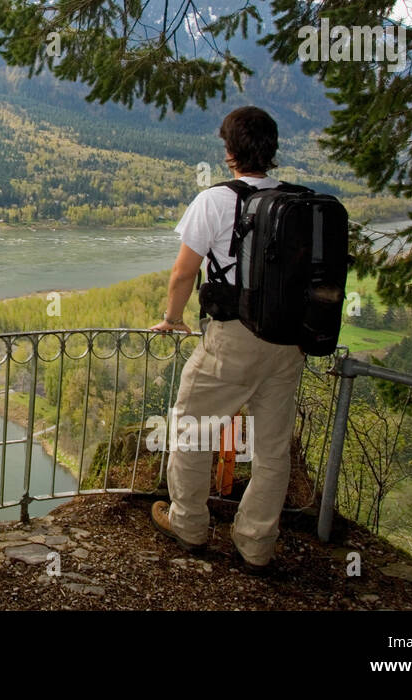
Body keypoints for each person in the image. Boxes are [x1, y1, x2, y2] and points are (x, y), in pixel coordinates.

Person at [147, 106, 305, 573]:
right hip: (288, 342)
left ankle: (189, 525)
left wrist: (172, 318)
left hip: (234, 337)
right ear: (272, 151)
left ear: (230, 152)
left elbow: (183, 273)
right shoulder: (296, 202)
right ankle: (256, 544)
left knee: (193, 430)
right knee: (274, 449)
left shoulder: (215, 201)